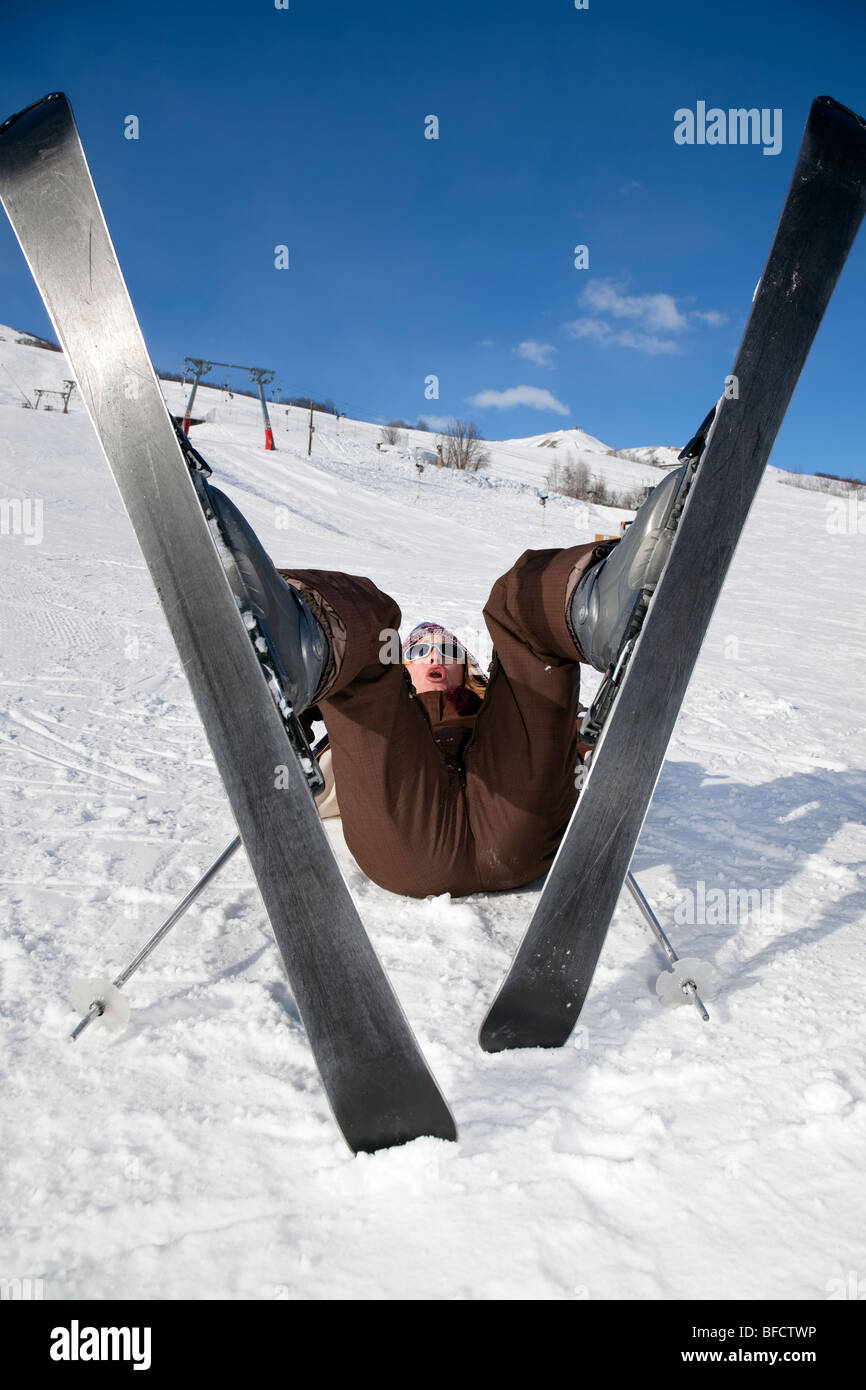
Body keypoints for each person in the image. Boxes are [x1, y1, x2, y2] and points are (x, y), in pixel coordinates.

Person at [205, 465, 685, 898]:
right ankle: (303, 648)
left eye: (449, 651)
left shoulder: (493, 706)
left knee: (513, 604)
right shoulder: (382, 700)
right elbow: (316, 790)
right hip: (408, 841)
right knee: (368, 630)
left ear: (465, 667)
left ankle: (600, 613)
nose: (434, 655)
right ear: (404, 667)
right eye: (417, 650)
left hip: (518, 819)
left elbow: (576, 750)